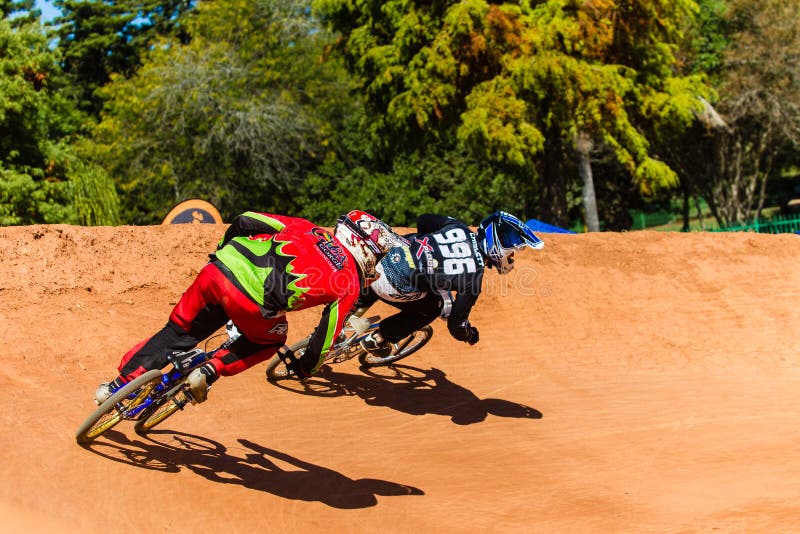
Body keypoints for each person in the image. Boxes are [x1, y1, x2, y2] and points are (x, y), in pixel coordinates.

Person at [94, 210, 400, 404]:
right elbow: (326, 335)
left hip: (218, 271)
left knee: (178, 331)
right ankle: (211, 369)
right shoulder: (350, 282)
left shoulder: (308, 228)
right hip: (253, 305)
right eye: (379, 254)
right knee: (271, 340)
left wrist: (222, 251)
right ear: (367, 249)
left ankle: (114, 387)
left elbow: (244, 219)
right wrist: (307, 367)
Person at [357, 211, 544, 357]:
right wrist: (469, 334)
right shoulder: (473, 278)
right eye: (511, 252)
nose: (511, 257)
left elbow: (423, 220)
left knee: (405, 264)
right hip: (390, 285)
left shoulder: (458, 226)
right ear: (498, 248)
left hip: (378, 260)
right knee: (434, 308)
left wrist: (427, 253)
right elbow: (456, 324)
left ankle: (354, 308)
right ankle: (380, 338)